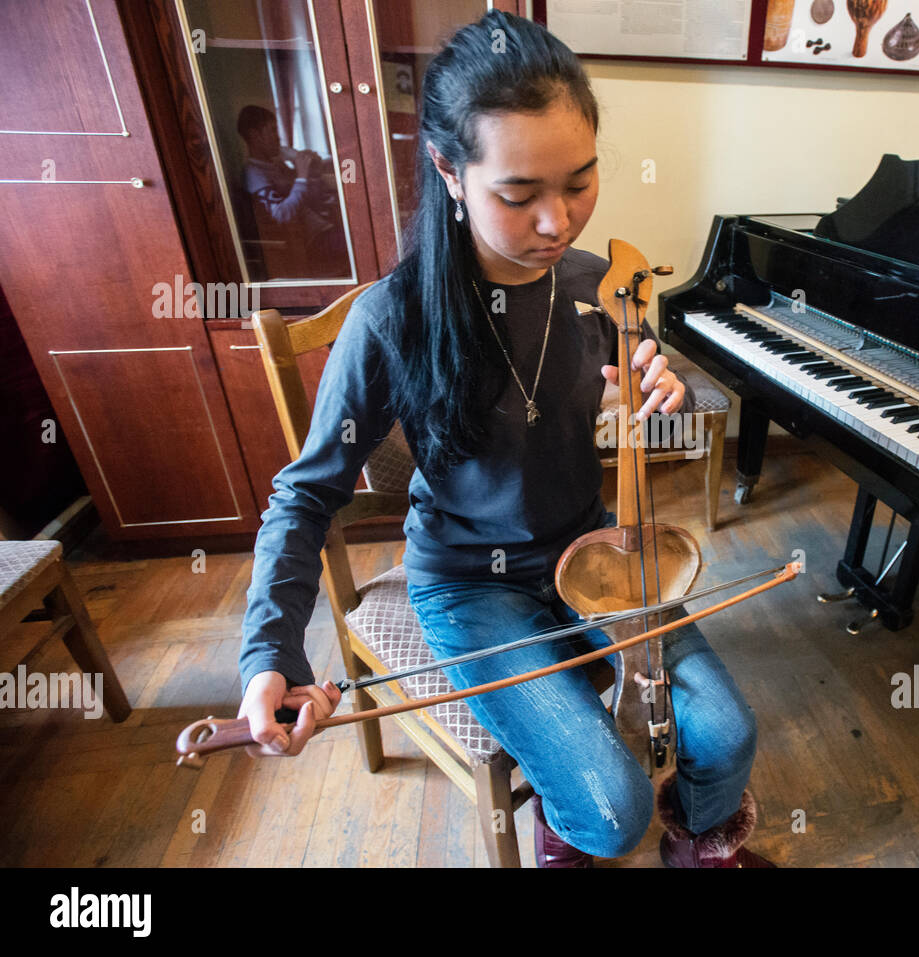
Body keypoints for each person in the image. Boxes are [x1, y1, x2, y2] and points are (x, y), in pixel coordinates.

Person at [236, 10, 773, 868]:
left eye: (582, 181)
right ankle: (569, 828)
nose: (559, 223)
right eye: (520, 196)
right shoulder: (391, 321)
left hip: (594, 554)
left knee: (730, 733)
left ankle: (701, 839)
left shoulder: (604, 288)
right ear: (450, 171)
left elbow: (639, 366)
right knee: (609, 810)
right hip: (466, 586)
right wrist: (270, 655)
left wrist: (655, 379)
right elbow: (304, 495)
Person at [236, 104, 348, 277]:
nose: (278, 138)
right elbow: (281, 214)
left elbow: (311, 199)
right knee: (361, 243)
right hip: (307, 243)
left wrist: (313, 173)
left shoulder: (276, 166)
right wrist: (301, 177)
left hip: (320, 230)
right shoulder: (254, 174)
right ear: (255, 136)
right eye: (272, 131)